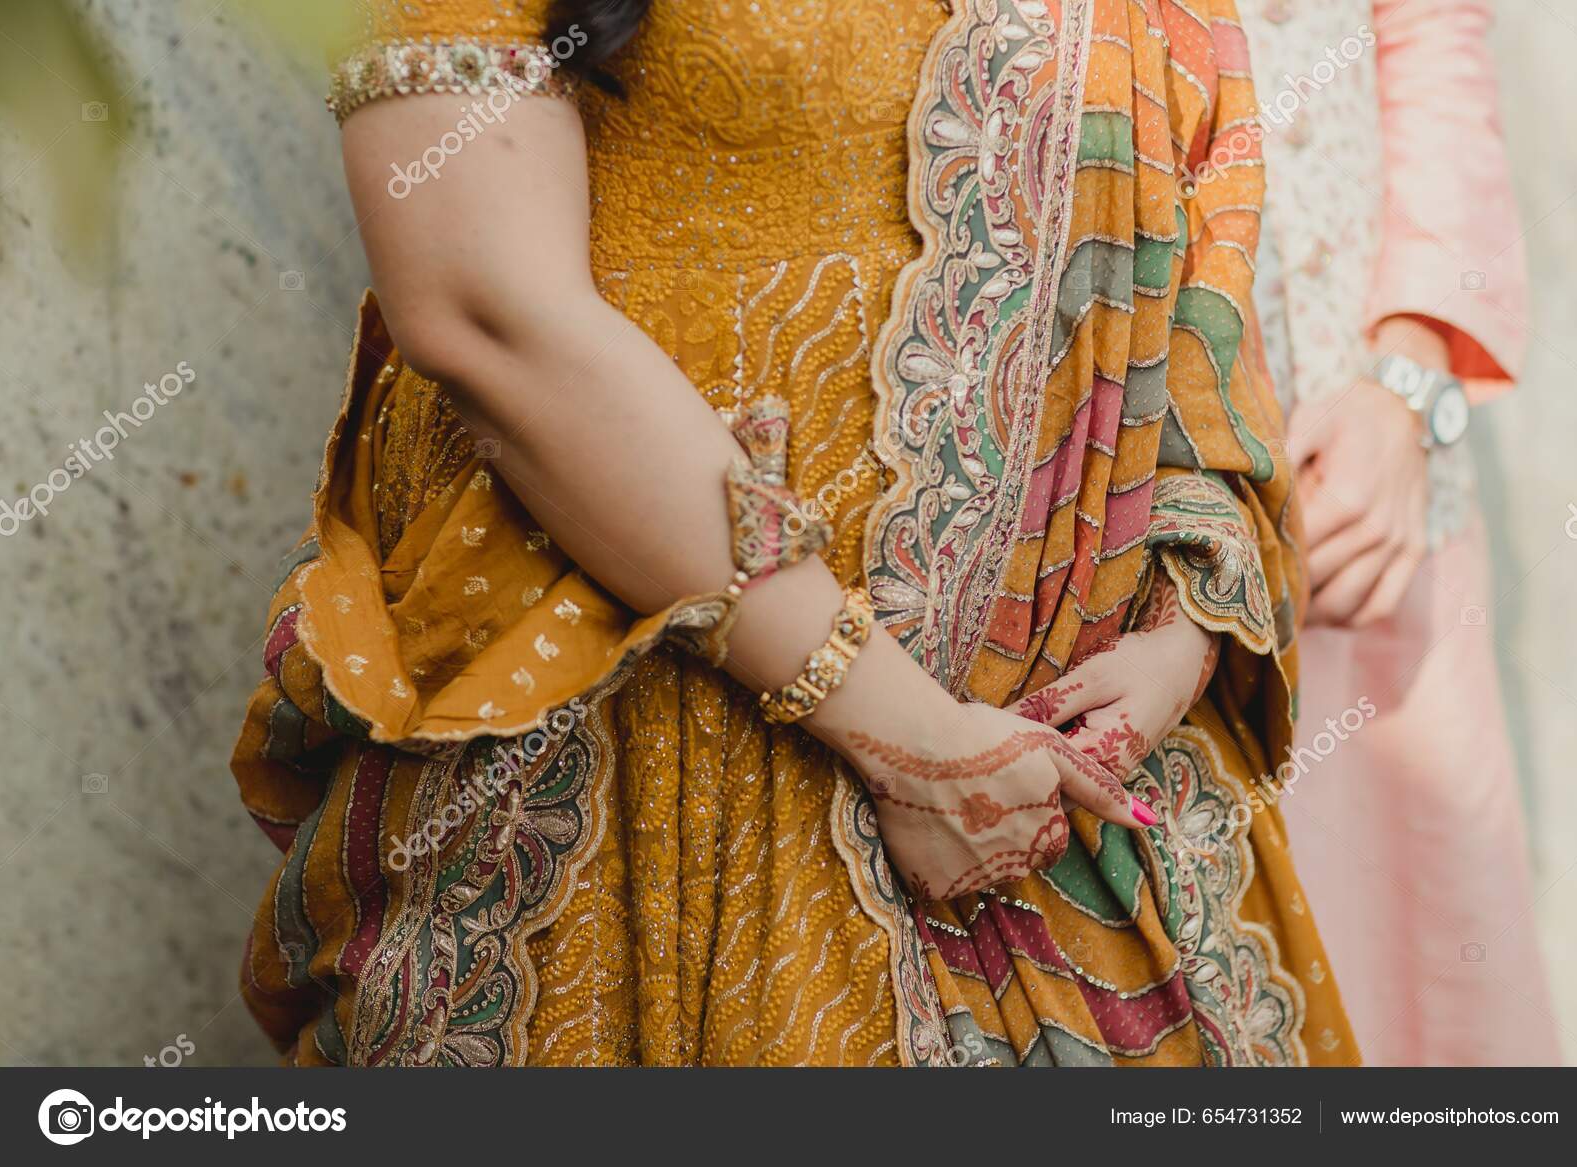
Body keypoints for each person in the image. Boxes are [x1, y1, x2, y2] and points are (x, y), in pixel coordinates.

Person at [230, 0, 1357, 1066]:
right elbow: (485, 313)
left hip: (1075, 806)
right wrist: (904, 736)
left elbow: (1183, 249)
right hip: (656, 742)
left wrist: (1179, 622)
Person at [1236, 0, 1559, 1064]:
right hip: (1108, 520)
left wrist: (1407, 391)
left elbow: (1429, 34)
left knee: (1420, 979)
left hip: (1372, 502)